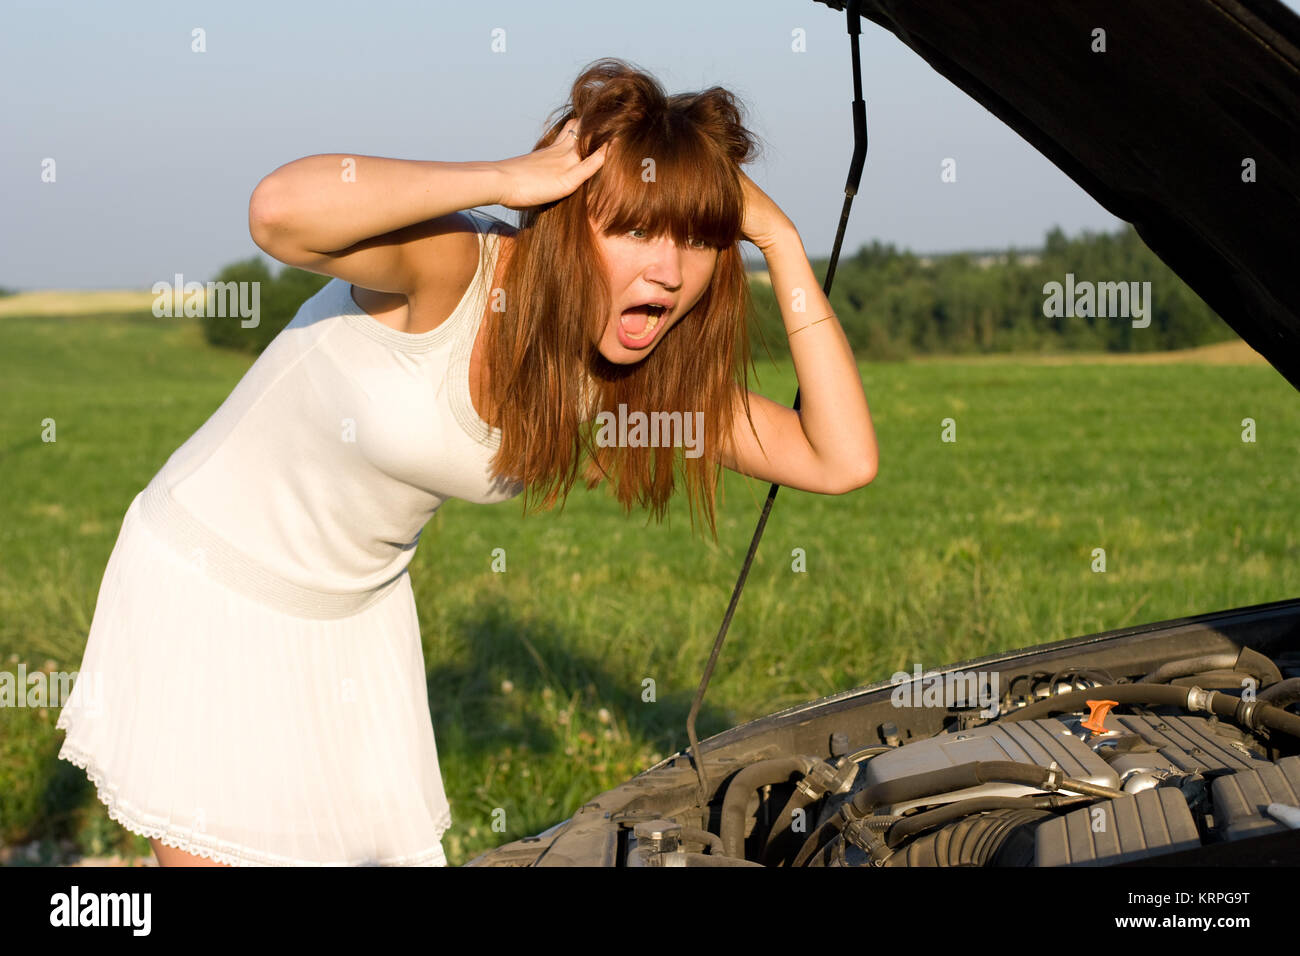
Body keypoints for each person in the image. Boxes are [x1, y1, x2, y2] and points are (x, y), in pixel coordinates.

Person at [54, 57, 877, 867]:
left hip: (359, 625)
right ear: (562, 214)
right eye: (631, 229)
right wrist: (505, 177)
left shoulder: (629, 374)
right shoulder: (457, 270)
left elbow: (837, 457)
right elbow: (278, 213)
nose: (668, 269)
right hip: (215, 585)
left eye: (699, 239)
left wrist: (782, 239)